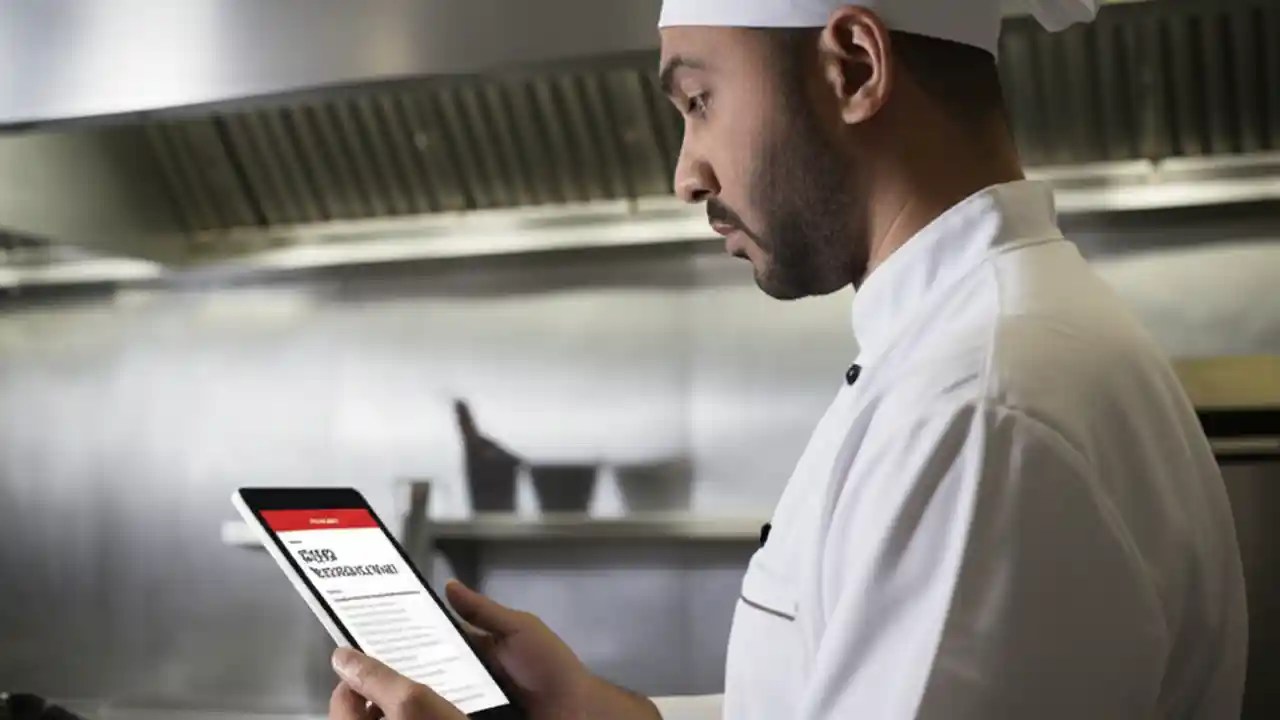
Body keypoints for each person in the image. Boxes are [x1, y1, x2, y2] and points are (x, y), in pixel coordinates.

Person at [329, 0, 1249, 718]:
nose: (686, 172)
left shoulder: (977, 411)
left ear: (854, 66)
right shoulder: (962, 357)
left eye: (699, 102)